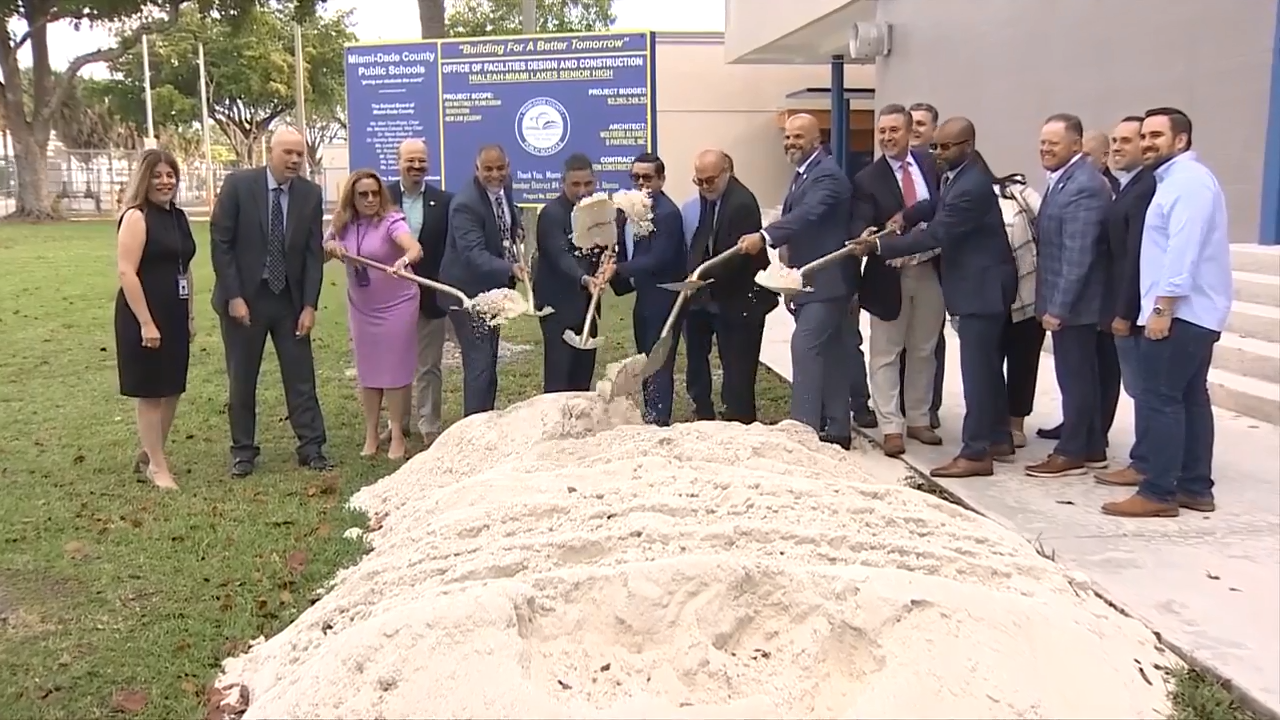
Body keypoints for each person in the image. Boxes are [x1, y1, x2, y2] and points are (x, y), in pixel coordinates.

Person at [855, 117, 1016, 477]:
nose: (938, 153)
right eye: (935, 146)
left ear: (968, 146)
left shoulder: (972, 185)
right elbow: (936, 205)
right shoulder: (955, 175)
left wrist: (880, 246)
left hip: (981, 288)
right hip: (977, 286)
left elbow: (936, 234)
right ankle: (998, 438)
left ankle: (976, 453)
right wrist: (907, 214)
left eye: (946, 147)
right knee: (987, 369)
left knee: (978, 373)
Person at [1102, 107, 1231, 518]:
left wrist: (1162, 308)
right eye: (1144, 136)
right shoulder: (1172, 181)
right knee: (1189, 397)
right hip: (1188, 312)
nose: (1146, 143)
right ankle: (1194, 487)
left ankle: (1158, 492)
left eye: (1156, 136)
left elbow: (1182, 248)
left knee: (1160, 399)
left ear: (1181, 140)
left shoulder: (1188, 182)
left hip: (1180, 313)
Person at [210, 126, 331, 478]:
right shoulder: (239, 186)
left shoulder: (310, 194)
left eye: (299, 154)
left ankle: (311, 447)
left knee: (301, 376)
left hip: (289, 300)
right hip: (245, 300)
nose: (294, 160)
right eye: (287, 153)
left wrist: (309, 305)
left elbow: (313, 255)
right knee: (242, 378)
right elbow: (221, 243)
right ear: (271, 153)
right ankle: (243, 450)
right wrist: (234, 296)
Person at [737, 113, 857, 449]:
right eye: (787, 137)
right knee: (831, 353)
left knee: (805, 348)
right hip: (808, 280)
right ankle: (838, 428)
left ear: (817, 140)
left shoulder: (827, 175)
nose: (790, 142)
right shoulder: (804, 173)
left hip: (827, 281)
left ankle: (801, 431)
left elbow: (807, 215)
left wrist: (765, 236)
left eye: (798, 137)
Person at [853, 103, 945, 457]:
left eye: (894, 130)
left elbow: (942, 206)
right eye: (882, 131)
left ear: (909, 132)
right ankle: (891, 426)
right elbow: (860, 220)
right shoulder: (867, 179)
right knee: (886, 353)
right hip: (889, 274)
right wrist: (863, 233)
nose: (887, 137)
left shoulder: (931, 165)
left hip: (930, 269)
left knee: (924, 348)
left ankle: (919, 418)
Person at [1025, 113, 1112, 479]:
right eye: (1043, 142)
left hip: (1077, 306)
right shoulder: (1064, 179)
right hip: (1072, 303)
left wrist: (1058, 307)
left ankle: (1072, 451)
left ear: (1076, 145)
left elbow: (1079, 254)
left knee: (1076, 379)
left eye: (1054, 143)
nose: (1045, 149)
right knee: (1079, 378)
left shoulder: (1084, 186)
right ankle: (1091, 448)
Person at [323, 170, 423, 460]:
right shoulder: (342, 223)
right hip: (362, 307)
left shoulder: (391, 221)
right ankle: (371, 433)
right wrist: (331, 246)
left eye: (375, 193)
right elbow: (322, 250)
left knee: (394, 370)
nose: (370, 199)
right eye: (363, 194)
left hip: (398, 305)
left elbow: (414, 248)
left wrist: (404, 260)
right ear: (351, 198)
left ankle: (397, 434)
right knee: (368, 371)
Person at [114, 148, 196, 490]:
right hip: (143, 314)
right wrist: (146, 322)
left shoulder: (178, 217)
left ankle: (151, 453)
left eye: (170, 175)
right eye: (157, 175)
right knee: (150, 392)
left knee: (172, 387)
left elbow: (184, 268)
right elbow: (126, 271)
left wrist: (189, 314)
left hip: (175, 313)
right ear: (144, 179)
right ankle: (158, 467)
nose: (165, 182)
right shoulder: (137, 217)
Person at [681, 149, 776, 423]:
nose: (704, 186)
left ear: (727, 172)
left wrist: (701, 276)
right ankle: (704, 411)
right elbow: (702, 239)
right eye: (698, 181)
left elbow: (734, 258)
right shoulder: (709, 196)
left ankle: (740, 422)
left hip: (741, 298)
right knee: (696, 349)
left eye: (710, 180)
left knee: (738, 370)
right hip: (713, 294)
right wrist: (691, 273)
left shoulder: (741, 203)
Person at [438, 144, 527, 416]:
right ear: (476, 169)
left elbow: (507, 213)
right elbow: (473, 255)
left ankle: (487, 419)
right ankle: (474, 427)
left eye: (500, 168)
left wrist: (516, 227)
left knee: (489, 361)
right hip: (466, 294)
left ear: (508, 167)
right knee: (479, 364)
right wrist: (511, 268)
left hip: (492, 290)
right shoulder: (465, 205)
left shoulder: (505, 186)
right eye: (488, 169)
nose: (495, 174)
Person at [1095, 116, 1158, 488]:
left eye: (1126, 141)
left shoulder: (1144, 188)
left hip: (1132, 310)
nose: (1117, 147)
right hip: (1122, 305)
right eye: (1114, 141)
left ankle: (1146, 462)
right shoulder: (1126, 186)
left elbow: (1135, 257)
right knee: (1140, 390)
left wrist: (1124, 312)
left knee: (1145, 390)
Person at [383, 138, 453, 447]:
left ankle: (429, 424)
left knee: (429, 365)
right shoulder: (381, 198)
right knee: (394, 364)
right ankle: (397, 423)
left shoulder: (445, 201)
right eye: (410, 160)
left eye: (421, 160)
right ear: (398, 162)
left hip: (430, 296)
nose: (416, 166)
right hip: (389, 296)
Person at [608, 152, 687, 425]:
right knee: (645, 358)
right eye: (636, 177)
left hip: (664, 297)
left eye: (647, 177)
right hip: (643, 296)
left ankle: (658, 419)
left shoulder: (667, 214)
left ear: (661, 179)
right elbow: (622, 245)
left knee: (658, 361)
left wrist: (620, 269)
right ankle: (651, 413)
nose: (641, 183)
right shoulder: (627, 210)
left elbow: (659, 258)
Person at [534, 153, 614, 392]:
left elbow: (606, 249)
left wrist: (608, 266)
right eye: (575, 184)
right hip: (557, 308)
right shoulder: (551, 214)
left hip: (587, 306)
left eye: (588, 184)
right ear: (563, 183)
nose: (583, 191)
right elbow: (560, 256)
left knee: (582, 378)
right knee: (559, 380)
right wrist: (584, 278)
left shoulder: (599, 213)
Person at [993, 172, 1045, 448]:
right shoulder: (958, 201)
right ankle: (993, 422)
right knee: (988, 363)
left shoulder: (1018, 193)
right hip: (989, 297)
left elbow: (1048, 224)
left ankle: (1016, 424)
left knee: (1023, 363)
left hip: (1028, 291)